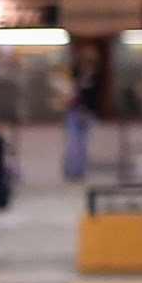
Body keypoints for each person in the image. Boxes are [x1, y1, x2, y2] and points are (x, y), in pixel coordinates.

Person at [61, 44, 102, 182]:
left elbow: (96, 98)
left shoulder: (96, 78)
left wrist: (87, 111)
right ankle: (70, 170)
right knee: (73, 143)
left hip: (88, 114)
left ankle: (80, 171)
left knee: (83, 144)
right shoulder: (74, 75)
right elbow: (68, 93)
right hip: (74, 113)